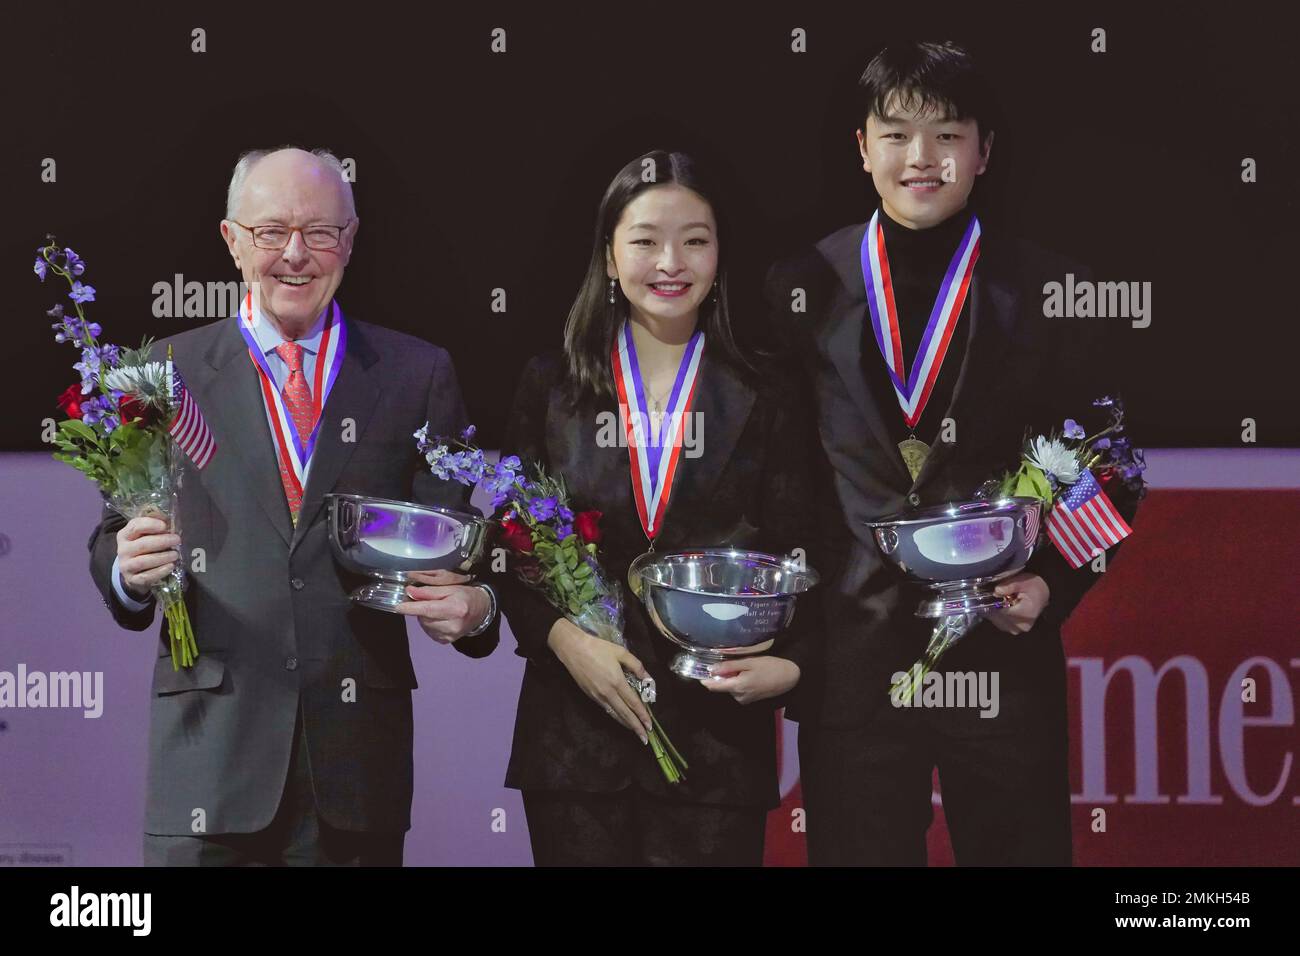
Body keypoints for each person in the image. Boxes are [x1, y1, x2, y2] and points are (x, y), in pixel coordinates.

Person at [767, 41, 1138, 865]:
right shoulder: (797, 287)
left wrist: (1054, 583)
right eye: (896, 135)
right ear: (862, 149)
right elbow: (776, 473)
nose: (921, 159)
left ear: (984, 150)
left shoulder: (1051, 290)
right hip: (853, 660)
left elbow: (1112, 463)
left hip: (1001, 649)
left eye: (946, 135)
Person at [89, 146, 499, 866]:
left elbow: (458, 550)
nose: (295, 254)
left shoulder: (417, 373)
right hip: (209, 760)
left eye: (319, 232)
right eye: (271, 232)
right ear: (232, 241)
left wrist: (477, 612)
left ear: (350, 240)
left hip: (354, 770)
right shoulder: (159, 376)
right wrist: (126, 569)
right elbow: (112, 541)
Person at [493, 149, 828, 866]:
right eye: (645, 239)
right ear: (610, 259)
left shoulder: (767, 390)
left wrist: (792, 667)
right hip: (575, 741)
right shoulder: (550, 384)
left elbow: (809, 550)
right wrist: (565, 641)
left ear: (718, 255)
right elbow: (510, 550)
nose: (670, 261)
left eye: (695, 240)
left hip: (716, 742)